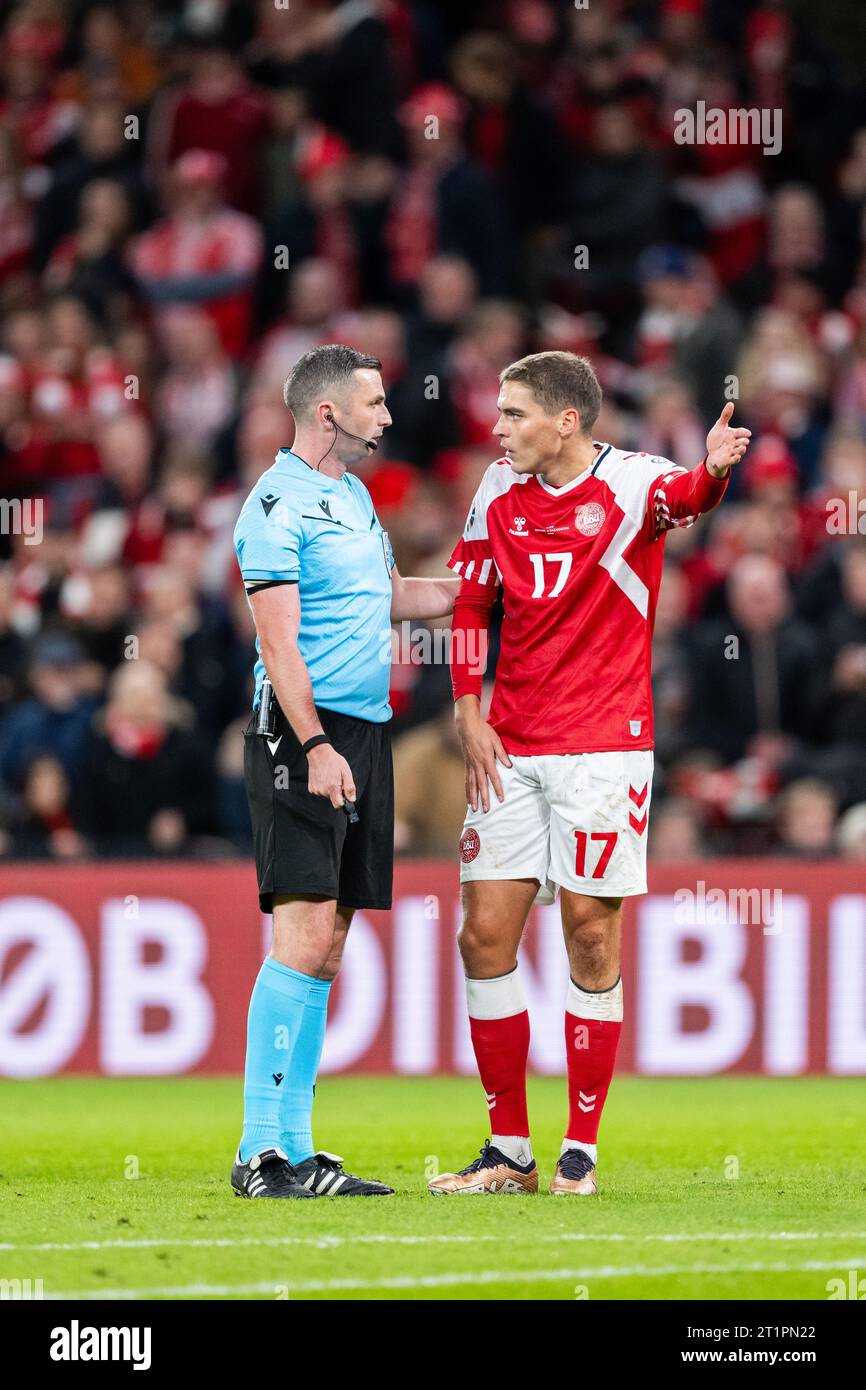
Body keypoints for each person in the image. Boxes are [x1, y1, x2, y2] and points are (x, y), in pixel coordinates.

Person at [429, 350, 750, 1197]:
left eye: (512, 415)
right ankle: (508, 1152)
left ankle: (580, 1147)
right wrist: (468, 710)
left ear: (565, 421)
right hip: (511, 741)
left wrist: (713, 474)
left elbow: (686, 497)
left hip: (606, 743)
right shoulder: (496, 490)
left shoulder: (634, 481)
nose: (497, 430)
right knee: (482, 937)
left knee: (590, 934)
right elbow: (471, 600)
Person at [232, 343, 459, 1198]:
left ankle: (298, 1145)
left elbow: (394, 594)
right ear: (327, 413)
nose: (389, 416)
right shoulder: (274, 505)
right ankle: (259, 1150)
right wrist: (316, 745)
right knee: (302, 929)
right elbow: (278, 644)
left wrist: (484, 585)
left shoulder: (356, 497)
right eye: (374, 402)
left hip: (365, 734)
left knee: (328, 945)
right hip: (303, 737)